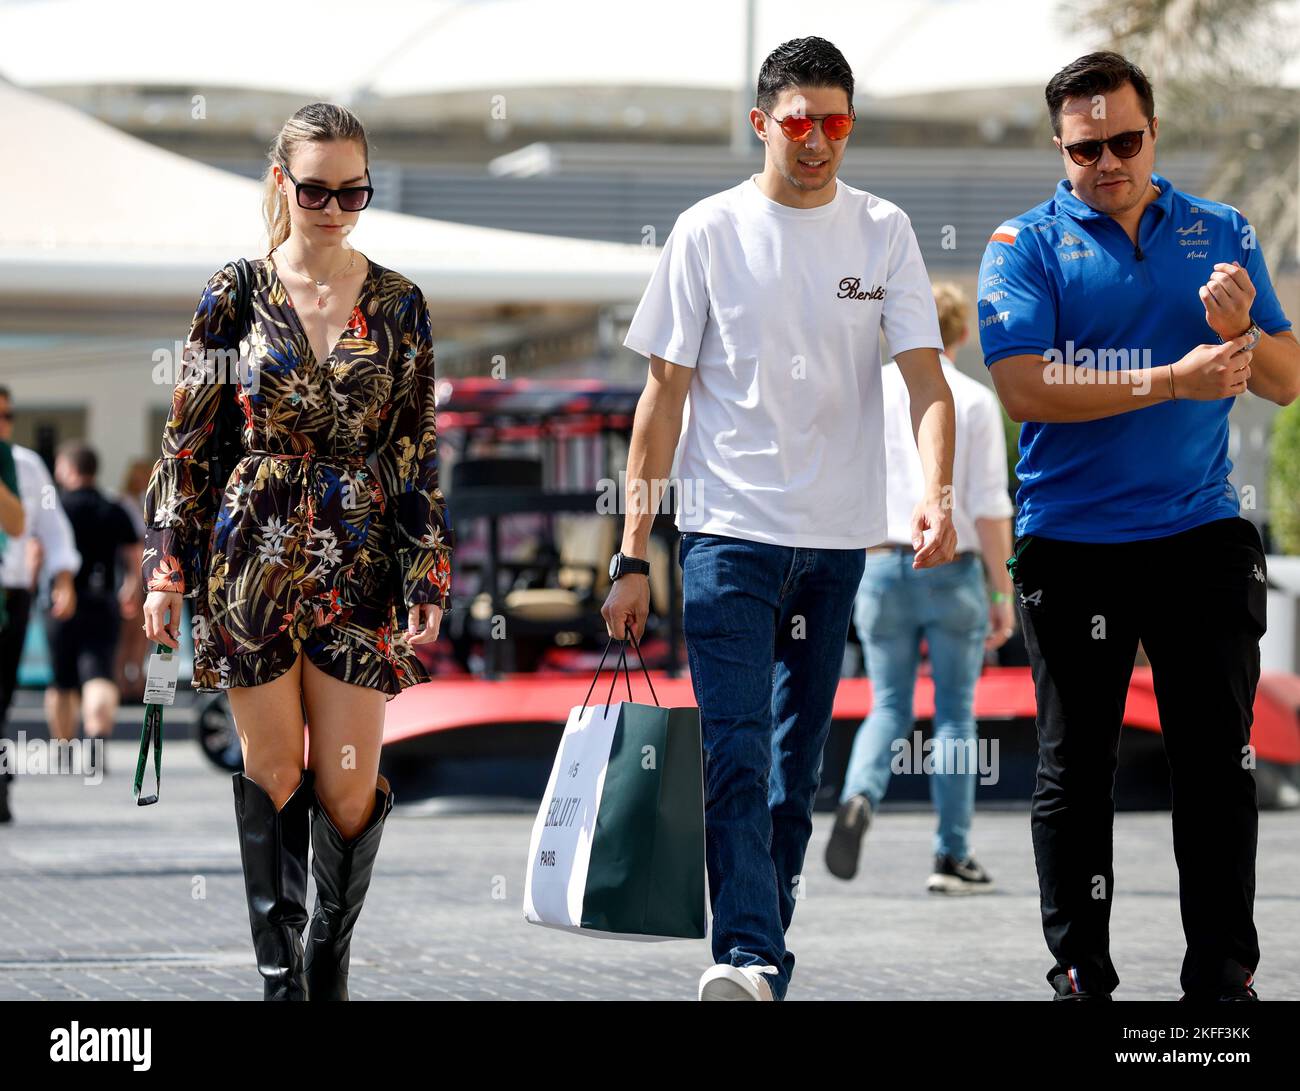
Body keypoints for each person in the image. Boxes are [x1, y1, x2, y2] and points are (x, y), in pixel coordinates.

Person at [605, 36, 956, 1002]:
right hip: (725, 535)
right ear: (761, 122)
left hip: (839, 541)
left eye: (836, 123)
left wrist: (935, 492)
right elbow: (660, 401)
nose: (818, 142)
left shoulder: (883, 229)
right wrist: (630, 551)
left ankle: (762, 943)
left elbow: (928, 381)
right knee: (736, 749)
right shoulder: (707, 230)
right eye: (799, 121)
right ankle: (749, 952)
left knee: (793, 769)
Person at [977, 51, 1299, 1001]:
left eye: (1125, 140)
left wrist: (1243, 332)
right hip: (1072, 542)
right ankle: (1082, 967)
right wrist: (1169, 378)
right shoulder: (1022, 244)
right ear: (1060, 147)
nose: (1108, 160)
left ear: (1153, 132)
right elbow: (1024, 387)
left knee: (1218, 763)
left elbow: (1286, 380)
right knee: (1077, 766)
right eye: (1087, 147)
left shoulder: (1222, 230)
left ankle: (1223, 975)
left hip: (1200, 534)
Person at [140, 102, 454, 1001]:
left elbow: (414, 443)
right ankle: (283, 982)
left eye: (353, 190)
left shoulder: (399, 303)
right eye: (316, 188)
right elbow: (190, 438)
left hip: (360, 552)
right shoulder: (233, 292)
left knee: (349, 786)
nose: (334, 207)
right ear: (283, 182)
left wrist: (423, 560)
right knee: (273, 771)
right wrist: (168, 563)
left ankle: (327, 959)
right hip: (253, 551)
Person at [825, 282, 1015, 893]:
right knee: (956, 715)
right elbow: (988, 507)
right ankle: (951, 854)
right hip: (952, 567)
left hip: (879, 563)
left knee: (888, 704)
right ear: (961, 333)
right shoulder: (976, 400)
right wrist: (1000, 594)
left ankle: (858, 799)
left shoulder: (869, 392)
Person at [0, 385, 81, 822]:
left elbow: (52, 528)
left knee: (2, 697)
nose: (3, 425)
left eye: (7, 416)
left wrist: (63, 579)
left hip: (11, 595)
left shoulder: (25, 466)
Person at [45, 441, 140, 775]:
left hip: (59, 604)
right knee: (99, 674)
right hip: (103, 602)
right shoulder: (112, 505)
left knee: (62, 681)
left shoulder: (55, 506)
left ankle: (63, 750)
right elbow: (135, 552)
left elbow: (36, 549)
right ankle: (97, 744)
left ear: (68, 469)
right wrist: (131, 586)